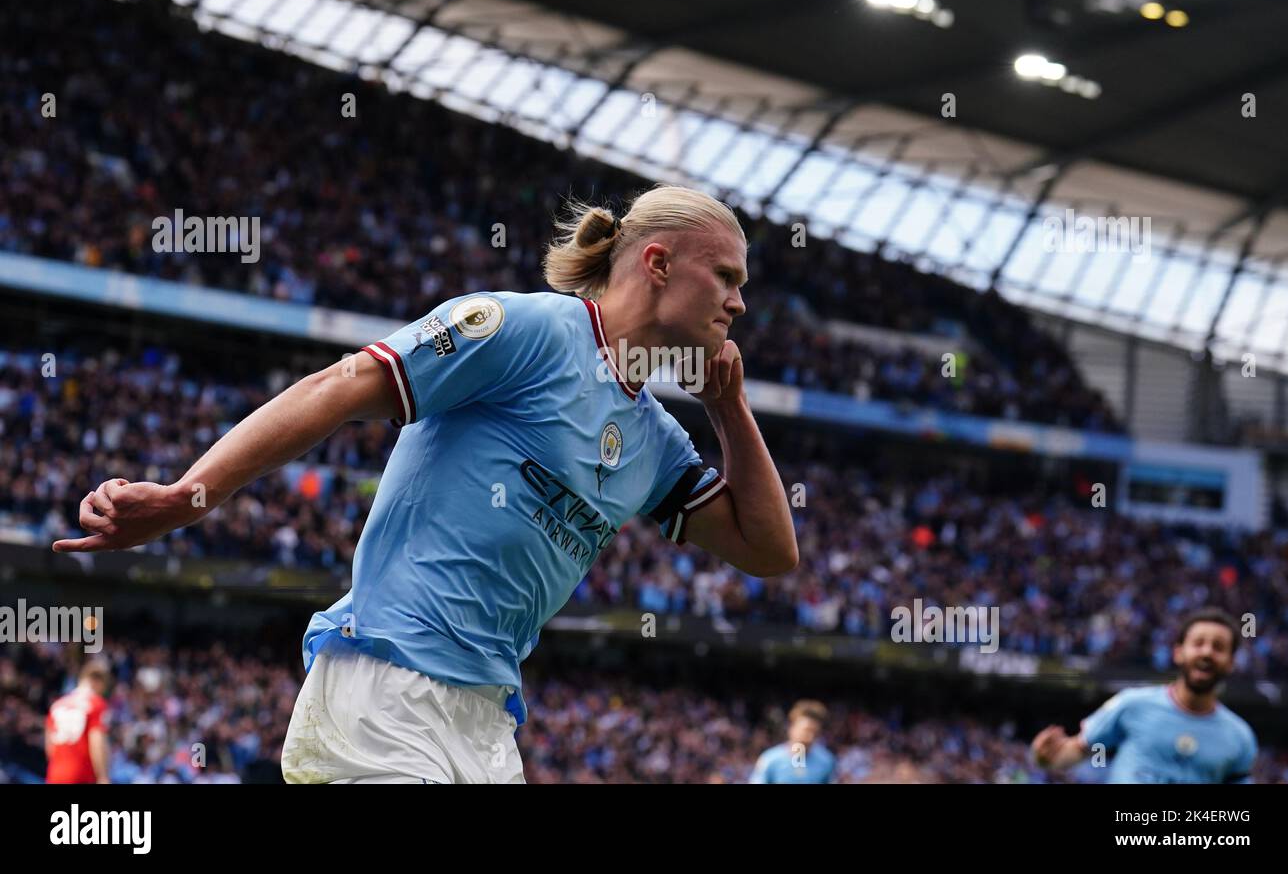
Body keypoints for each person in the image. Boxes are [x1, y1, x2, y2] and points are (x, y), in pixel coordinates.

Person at [53, 184, 799, 784]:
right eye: (726, 277)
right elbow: (338, 385)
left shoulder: (656, 441)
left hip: (487, 724)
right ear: (658, 263)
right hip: (384, 691)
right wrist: (190, 495)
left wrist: (728, 409)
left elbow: (768, 550)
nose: (738, 303)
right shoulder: (526, 331)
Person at [1031, 608, 1257, 783]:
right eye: (1198, 643)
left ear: (1231, 662)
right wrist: (1047, 758)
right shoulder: (1132, 704)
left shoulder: (1240, 737)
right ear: (1178, 653)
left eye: (1218, 647)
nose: (1207, 652)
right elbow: (1078, 749)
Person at [45, 660, 112, 785]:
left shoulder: (57, 705)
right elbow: (96, 742)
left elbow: (50, 747)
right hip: (81, 774)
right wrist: (103, 776)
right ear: (99, 682)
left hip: (55, 774)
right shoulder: (96, 704)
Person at [750, 700, 836, 784]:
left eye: (815, 732)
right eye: (806, 731)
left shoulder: (826, 761)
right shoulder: (770, 759)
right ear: (791, 727)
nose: (810, 737)